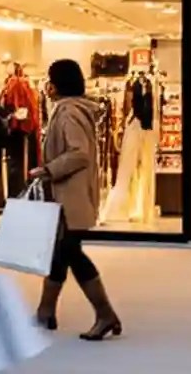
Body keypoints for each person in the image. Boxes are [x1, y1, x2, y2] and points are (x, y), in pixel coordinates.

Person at [29, 58, 123, 341]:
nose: (47, 85)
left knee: (71, 253)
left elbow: (78, 153)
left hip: (71, 194)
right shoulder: (69, 109)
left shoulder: (69, 112)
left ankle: (105, 314)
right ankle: (45, 311)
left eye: (50, 79)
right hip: (69, 194)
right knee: (61, 252)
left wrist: (49, 169)